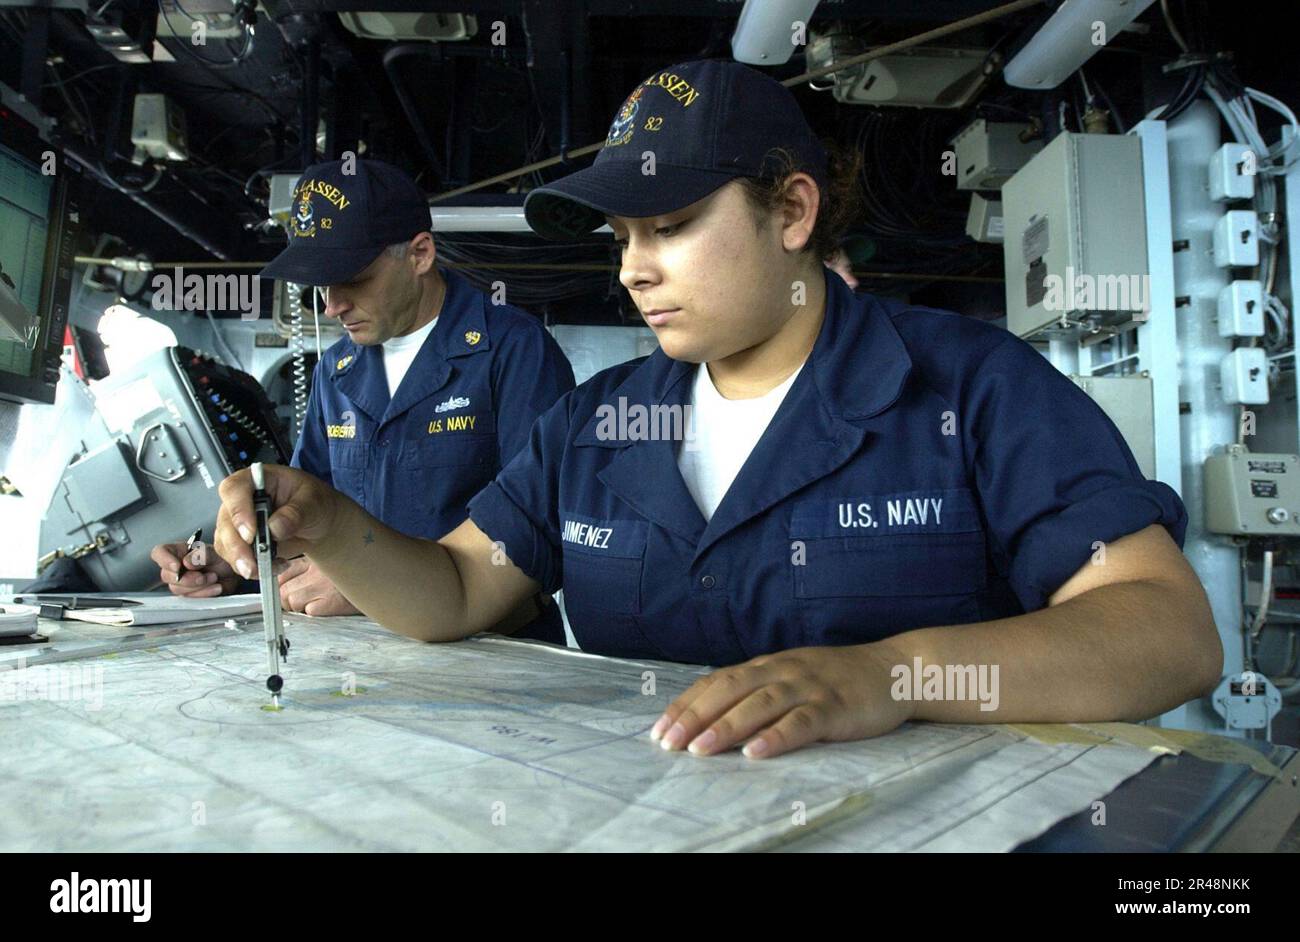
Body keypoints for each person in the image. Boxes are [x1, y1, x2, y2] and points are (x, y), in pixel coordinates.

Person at [208, 60, 1222, 759]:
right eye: (620, 238)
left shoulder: (969, 388)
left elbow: (1165, 634)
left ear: (790, 210)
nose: (634, 271)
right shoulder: (600, 423)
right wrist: (329, 524)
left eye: (672, 227)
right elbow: (461, 591)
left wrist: (895, 677)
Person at [152, 158, 575, 642]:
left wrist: (370, 586)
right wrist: (235, 560)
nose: (332, 304)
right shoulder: (336, 370)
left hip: (501, 651)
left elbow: (538, 539)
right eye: (321, 283)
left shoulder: (515, 349)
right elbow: (305, 517)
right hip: (367, 652)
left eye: (352, 278)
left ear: (419, 254)